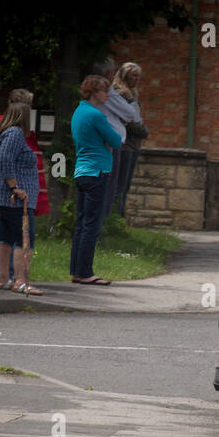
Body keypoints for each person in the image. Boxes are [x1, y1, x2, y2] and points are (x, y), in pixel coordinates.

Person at [0, 88, 50, 289]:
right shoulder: (15, 133)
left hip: (8, 197)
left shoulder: (6, 133)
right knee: (25, 238)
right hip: (15, 197)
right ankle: (21, 282)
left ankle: (2, 279)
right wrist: (15, 187)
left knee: (4, 237)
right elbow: (6, 160)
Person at [70, 74, 122, 285]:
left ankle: (76, 270)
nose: (107, 94)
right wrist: (107, 143)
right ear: (92, 91)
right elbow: (116, 140)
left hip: (81, 171)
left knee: (82, 223)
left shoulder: (79, 112)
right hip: (97, 171)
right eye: (103, 90)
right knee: (92, 224)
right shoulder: (96, 115)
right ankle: (85, 272)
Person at [103, 64, 147, 219]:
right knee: (119, 185)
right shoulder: (120, 93)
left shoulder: (132, 94)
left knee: (125, 185)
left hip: (133, 144)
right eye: (133, 75)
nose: (137, 79)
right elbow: (127, 118)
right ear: (125, 76)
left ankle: (119, 217)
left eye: (138, 76)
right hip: (125, 143)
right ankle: (115, 217)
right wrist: (141, 130)